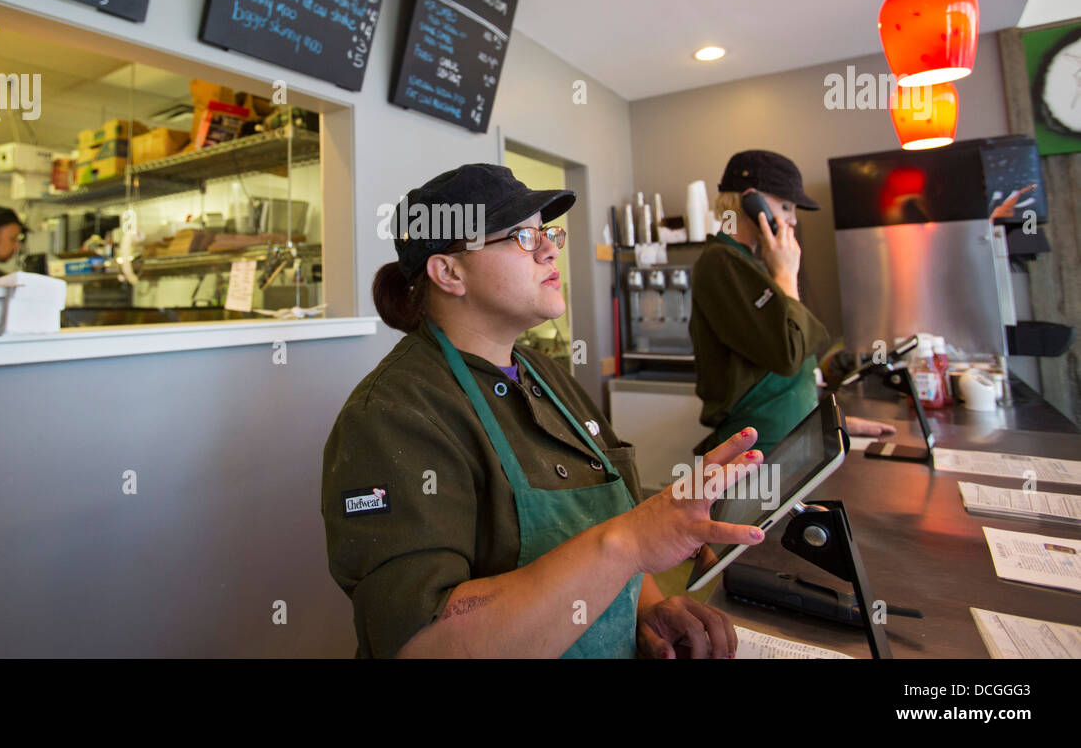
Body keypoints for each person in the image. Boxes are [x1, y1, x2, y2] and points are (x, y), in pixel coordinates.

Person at [321, 163, 767, 659]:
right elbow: (425, 645)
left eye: (546, 232)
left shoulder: (547, 375)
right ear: (449, 272)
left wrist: (647, 610)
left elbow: (599, 522)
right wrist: (630, 542)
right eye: (521, 237)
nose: (551, 248)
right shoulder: (389, 416)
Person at [690, 150, 894, 455]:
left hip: (788, 437)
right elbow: (789, 354)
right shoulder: (721, 261)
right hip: (759, 449)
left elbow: (781, 371)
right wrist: (786, 273)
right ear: (751, 201)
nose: (793, 219)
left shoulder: (750, 262)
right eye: (786, 206)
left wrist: (835, 421)